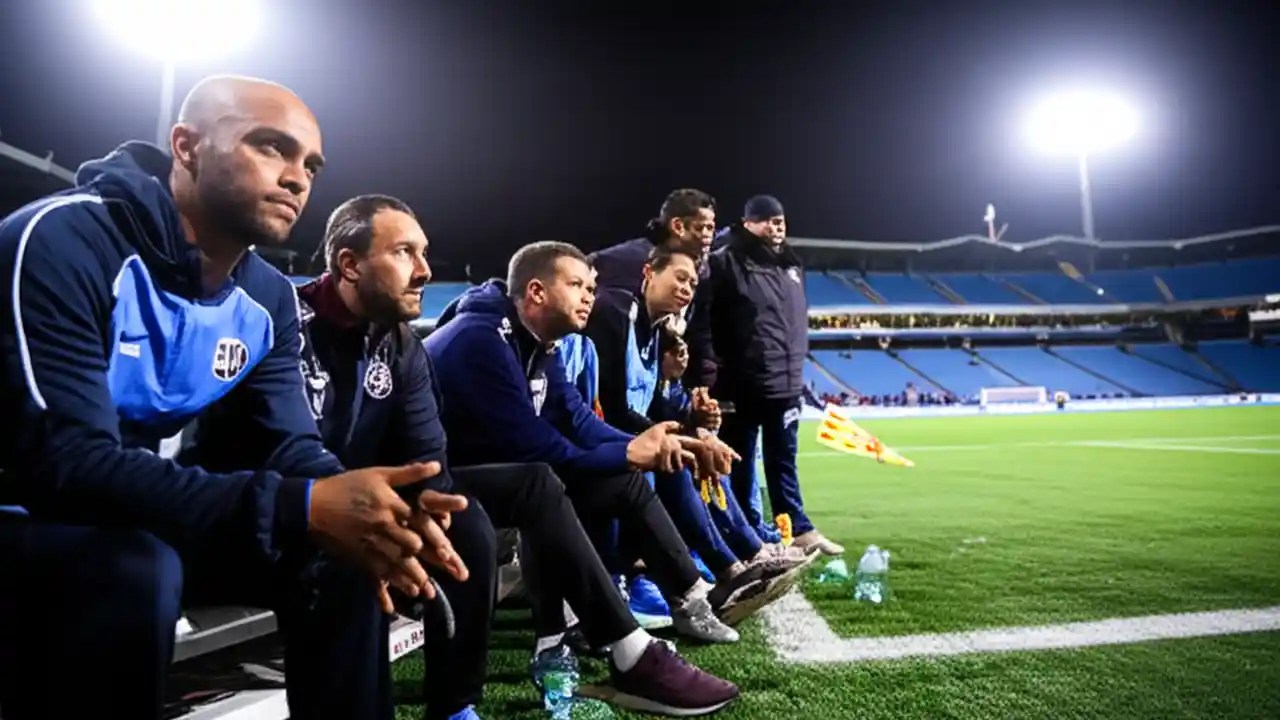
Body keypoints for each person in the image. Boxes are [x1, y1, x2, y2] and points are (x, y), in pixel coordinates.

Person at [0, 76, 456, 720]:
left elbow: (291, 444)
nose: (298, 178)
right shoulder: (61, 239)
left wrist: (359, 507)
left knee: (343, 557)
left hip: (143, 513)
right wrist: (301, 504)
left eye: (311, 165)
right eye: (271, 147)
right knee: (136, 570)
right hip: (30, 511)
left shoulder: (268, 297)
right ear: (187, 146)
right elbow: (62, 463)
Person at [211, 196, 737, 717]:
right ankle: (596, 638)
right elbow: (279, 442)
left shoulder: (415, 346)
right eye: (405, 253)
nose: (423, 270)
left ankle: (465, 702)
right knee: (514, 496)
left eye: (424, 254)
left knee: (477, 514)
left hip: (406, 488)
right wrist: (627, 450)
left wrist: (638, 449)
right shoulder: (471, 338)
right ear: (349, 264)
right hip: (295, 502)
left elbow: (442, 454)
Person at [425, 242, 755, 646]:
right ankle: (598, 628)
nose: (589, 297)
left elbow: (577, 420)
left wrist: (672, 442)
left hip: (498, 473)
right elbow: (531, 445)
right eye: (578, 285)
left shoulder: (538, 343)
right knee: (551, 480)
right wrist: (630, 452)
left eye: (592, 287)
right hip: (438, 486)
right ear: (536, 292)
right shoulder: (480, 339)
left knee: (620, 475)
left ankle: (689, 598)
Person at [584, 246, 807, 598]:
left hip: (628, 436)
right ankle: (725, 567)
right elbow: (613, 405)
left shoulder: (655, 331)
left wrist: (694, 424)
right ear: (649, 273)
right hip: (605, 439)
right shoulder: (616, 313)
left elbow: (652, 403)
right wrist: (690, 439)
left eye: (692, 283)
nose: (687, 288)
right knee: (681, 460)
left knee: (699, 456)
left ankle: (742, 558)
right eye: (680, 278)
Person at [708, 195, 844, 556]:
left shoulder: (791, 265)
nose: (777, 226)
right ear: (748, 222)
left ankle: (797, 528)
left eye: (780, 220)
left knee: (783, 460)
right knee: (738, 464)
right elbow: (710, 320)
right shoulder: (726, 260)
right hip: (741, 382)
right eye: (767, 220)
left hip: (785, 381)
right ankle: (740, 534)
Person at [590, 188, 718, 389]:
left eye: (712, 228)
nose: (708, 236)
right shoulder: (620, 262)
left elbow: (698, 329)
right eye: (702, 228)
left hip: (659, 381)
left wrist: (702, 377)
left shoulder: (702, 270)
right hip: (617, 382)